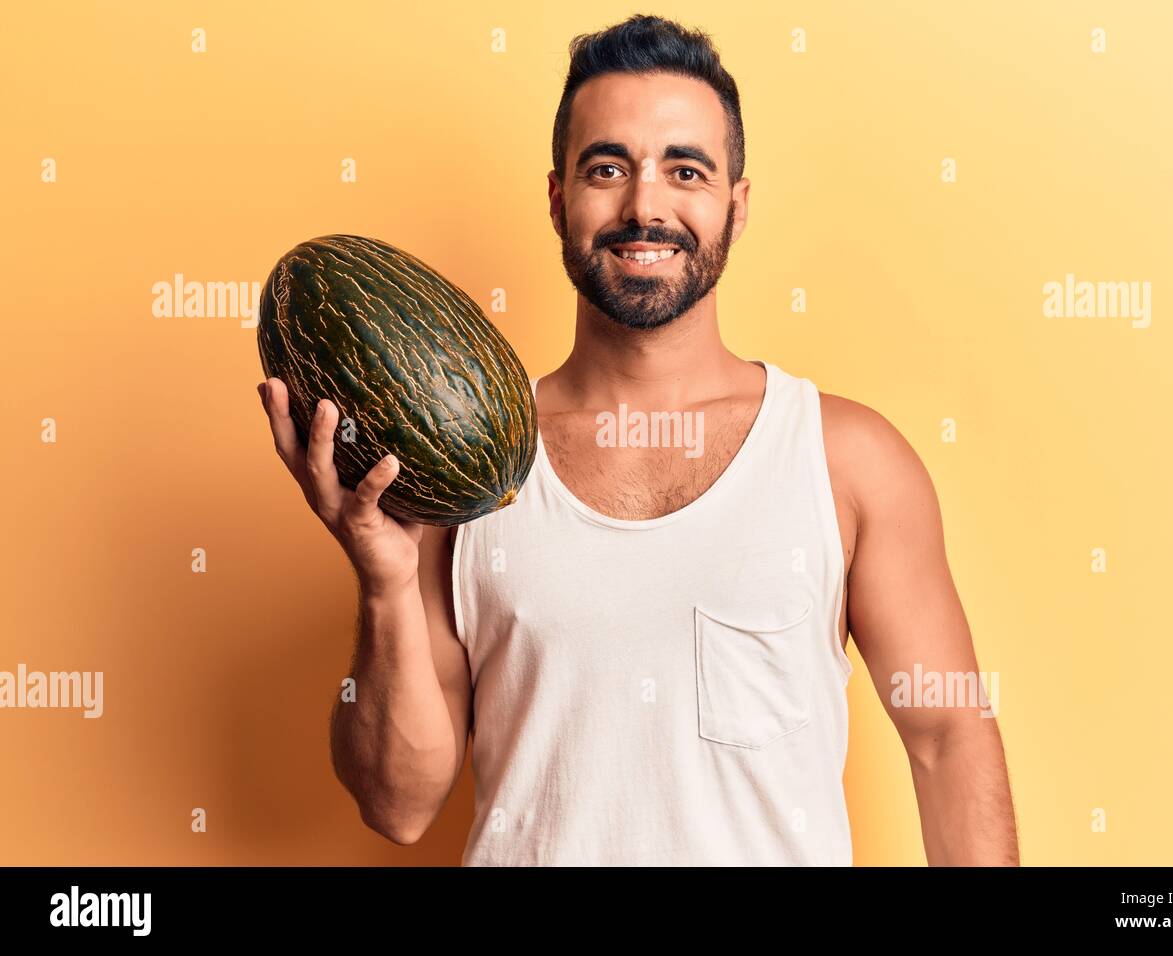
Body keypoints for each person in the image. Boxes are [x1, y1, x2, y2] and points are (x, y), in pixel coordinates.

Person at [257, 14, 1018, 866]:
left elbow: (948, 739)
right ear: (559, 201)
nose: (645, 206)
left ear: (736, 204)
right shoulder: (458, 475)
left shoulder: (846, 460)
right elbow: (398, 805)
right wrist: (384, 579)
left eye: (685, 170)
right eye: (607, 168)